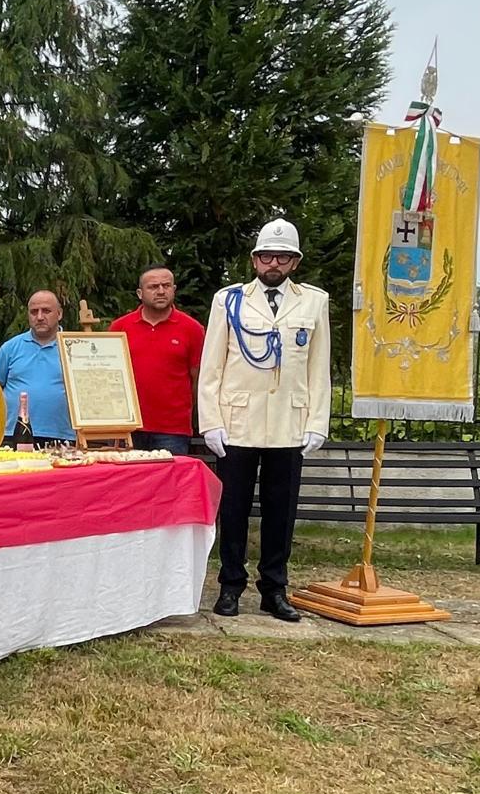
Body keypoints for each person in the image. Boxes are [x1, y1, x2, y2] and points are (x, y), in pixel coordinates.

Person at [198, 217, 331, 623]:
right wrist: (211, 421)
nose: (274, 263)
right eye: (267, 256)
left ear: (295, 262)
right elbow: (212, 365)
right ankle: (230, 586)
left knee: (281, 511)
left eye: (283, 257)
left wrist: (316, 422)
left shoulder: (313, 301)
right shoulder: (229, 299)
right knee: (234, 509)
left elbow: (317, 367)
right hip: (238, 422)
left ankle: (274, 588)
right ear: (255, 259)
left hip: (288, 425)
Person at [109, 265, 206, 455]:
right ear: (139, 293)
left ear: (174, 290)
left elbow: (198, 379)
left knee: (170, 484)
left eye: (166, 286)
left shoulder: (192, 329)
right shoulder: (120, 327)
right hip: (128, 426)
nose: (161, 291)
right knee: (130, 484)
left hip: (173, 430)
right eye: (153, 287)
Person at [0, 290, 74, 446]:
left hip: (62, 435)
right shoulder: (10, 348)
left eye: (46, 311)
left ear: (59, 314)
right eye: (34, 312)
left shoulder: (74, 347)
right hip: (13, 435)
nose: (40, 317)